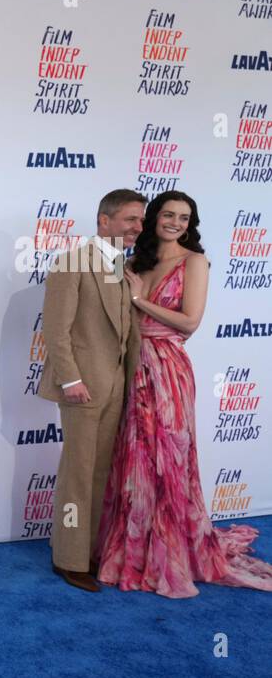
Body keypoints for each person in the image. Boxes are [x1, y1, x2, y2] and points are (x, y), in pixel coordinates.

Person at [97, 191, 272, 598]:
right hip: (131, 367)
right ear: (153, 218)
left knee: (168, 459)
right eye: (168, 214)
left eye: (184, 217)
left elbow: (190, 322)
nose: (175, 222)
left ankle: (168, 553)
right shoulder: (134, 262)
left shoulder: (194, 262)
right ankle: (132, 551)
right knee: (133, 459)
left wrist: (139, 299)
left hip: (168, 370)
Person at [38, 189, 144, 591]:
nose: (138, 227)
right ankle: (68, 558)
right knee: (78, 475)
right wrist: (70, 379)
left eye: (141, 220)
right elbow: (56, 330)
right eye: (131, 219)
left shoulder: (123, 266)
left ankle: (89, 549)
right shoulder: (71, 263)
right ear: (104, 220)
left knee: (99, 472)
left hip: (115, 384)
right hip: (81, 387)